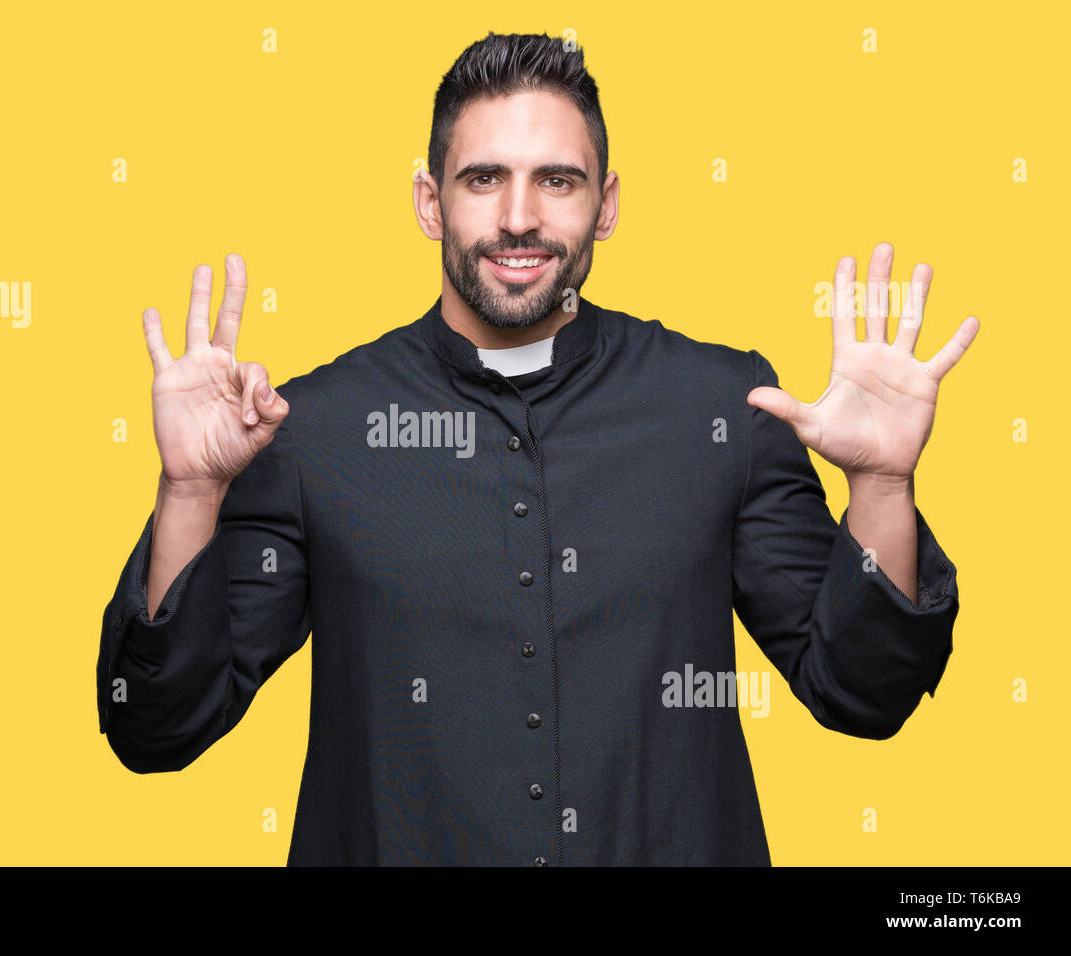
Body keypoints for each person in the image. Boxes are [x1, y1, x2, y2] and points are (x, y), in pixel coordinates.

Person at [96, 31, 977, 866]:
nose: (519, 218)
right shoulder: (310, 429)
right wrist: (189, 495)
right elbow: (158, 727)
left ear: (609, 204)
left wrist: (883, 486)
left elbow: (863, 696)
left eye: (557, 180)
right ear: (428, 202)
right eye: (483, 179)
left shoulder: (725, 407)